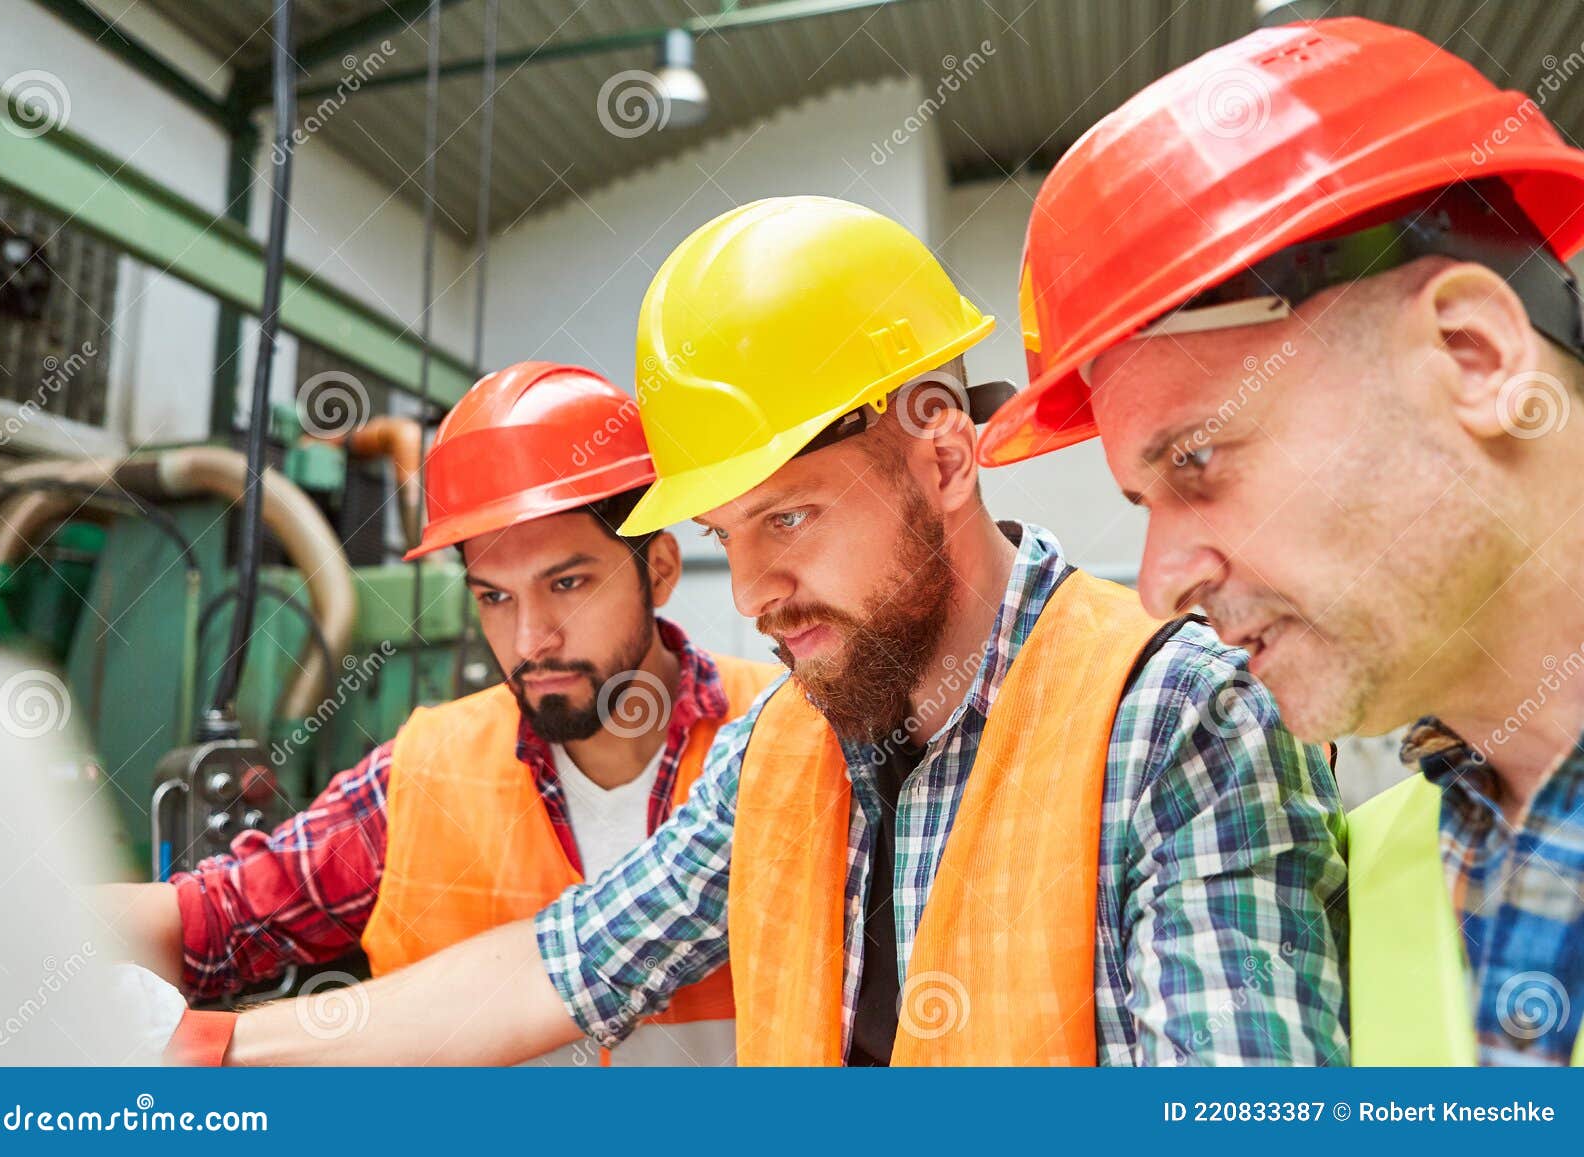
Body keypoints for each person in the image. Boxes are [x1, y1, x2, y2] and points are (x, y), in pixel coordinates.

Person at [221, 197, 1347, 1067]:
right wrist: (217, 1047)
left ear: (944, 458)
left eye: (789, 517)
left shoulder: (1173, 716)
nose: (753, 588)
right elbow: (558, 967)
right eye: (726, 530)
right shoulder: (786, 749)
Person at [981, 16, 1584, 1066]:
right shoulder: (1384, 860)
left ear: (1472, 354)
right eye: (1143, 504)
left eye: (1199, 464)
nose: (1160, 585)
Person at [100, 361, 777, 1066]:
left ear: (660, 567)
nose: (529, 640)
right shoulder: (427, 772)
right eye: (494, 596)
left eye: (567, 583)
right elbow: (216, 916)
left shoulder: (779, 742)